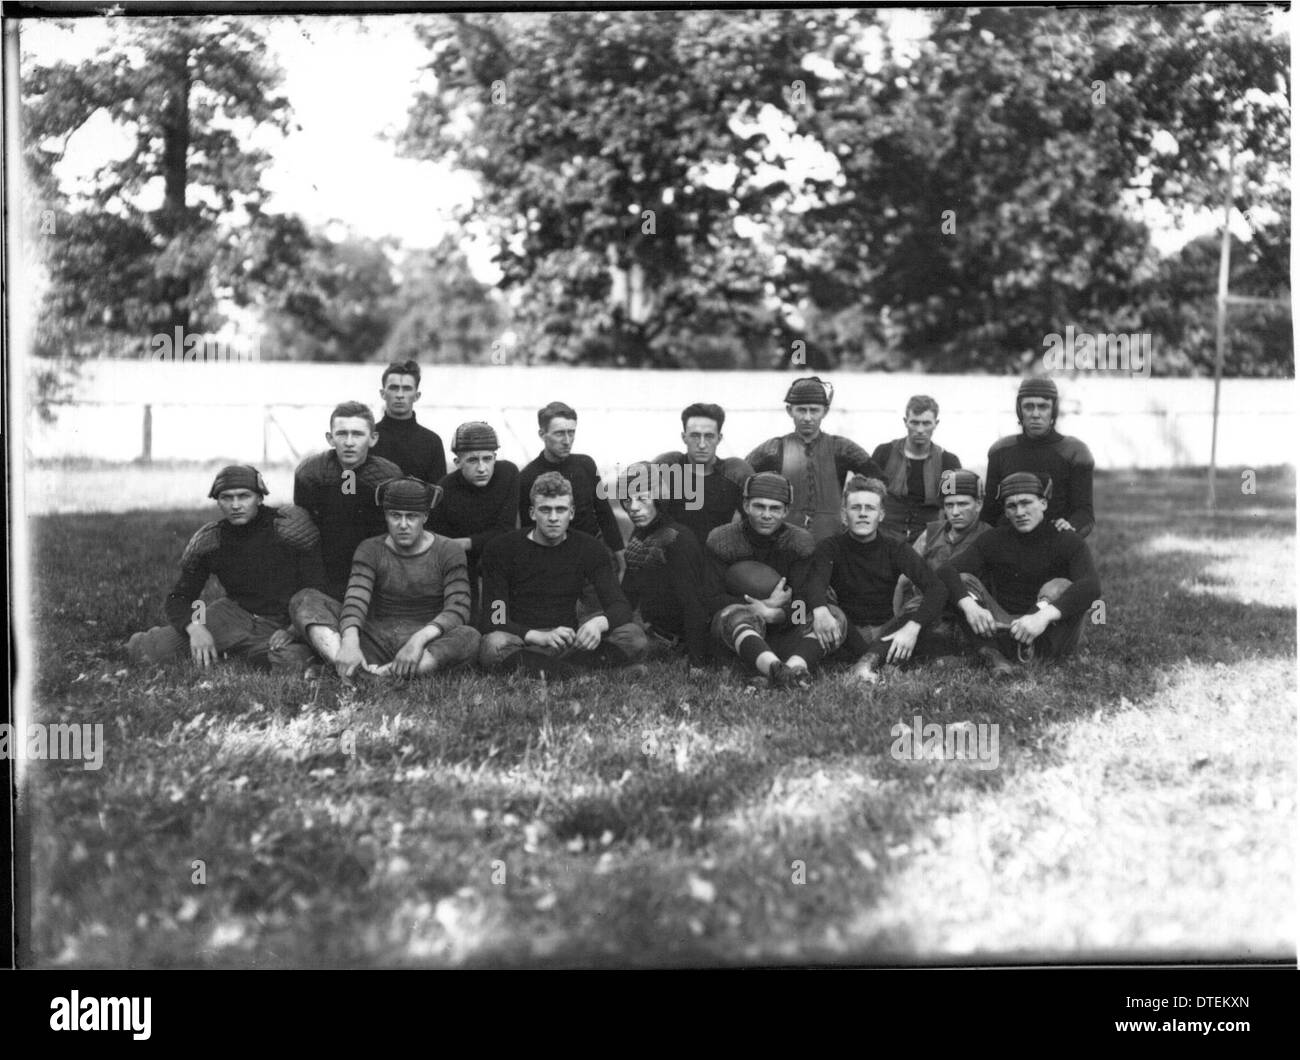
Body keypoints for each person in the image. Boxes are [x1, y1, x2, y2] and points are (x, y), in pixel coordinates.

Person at [127, 465, 322, 672]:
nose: (235, 505)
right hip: (233, 615)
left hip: (283, 621)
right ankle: (232, 649)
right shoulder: (212, 540)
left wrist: (293, 630)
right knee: (150, 651)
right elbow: (182, 597)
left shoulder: (287, 528)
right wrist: (196, 628)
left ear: (259, 497)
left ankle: (244, 652)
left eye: (244, 496)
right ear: (217, 501)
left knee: (291, 660)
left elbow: (316, 589)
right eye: (226, 498)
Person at [290, 478, 479, 680]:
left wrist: (417, 642)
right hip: (374, 637)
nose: (403, 524)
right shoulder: (370, 549)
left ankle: (375, 675)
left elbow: (458, 607)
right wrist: (350, 642)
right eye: (395, 515)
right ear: (386, 515)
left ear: (425, 516)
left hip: (424, 641)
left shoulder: (448, 550)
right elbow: (355, 601)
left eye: (412, 516)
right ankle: (349, 663)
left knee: (469, 636)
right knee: (305, 599)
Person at [480, 471, 646, 677]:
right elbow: (495, 618)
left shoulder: (590, 548)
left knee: (634, 636)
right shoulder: (502, 549)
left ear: (572, 512)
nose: (553, 518)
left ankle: (554, 671)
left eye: (560, 510)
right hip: (524, 641)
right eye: (545, 510)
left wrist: (597, 624)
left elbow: (620, 606)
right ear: (532, 513)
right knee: (493, 645)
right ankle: (585, 673)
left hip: (568, 641)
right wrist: (536, 636)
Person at [939, 471, 1102, 678]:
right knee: (963, 581)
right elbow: (945, 571)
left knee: (1058, 585)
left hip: (1048, 631)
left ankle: (1018, 653)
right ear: (1005, 512)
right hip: (1004, 625)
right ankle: (994, 654)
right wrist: (970, 606)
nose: (1020, 512)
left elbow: (1092, 585)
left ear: (1043, 503)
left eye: (1026, 503)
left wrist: (1041, 617)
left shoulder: (1067, 540)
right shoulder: (993, 539)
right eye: (1012, 506)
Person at [804, 476, 948, 684]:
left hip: (887, 629)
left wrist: (912, 627)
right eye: (856, 508)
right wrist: (820, 610)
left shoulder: (895, 547)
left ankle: (867, 661)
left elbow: (937, 588)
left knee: (918, 606)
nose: (863, 514)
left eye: (870, 508)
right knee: (815, 609)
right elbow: (815, 582)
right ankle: (876, 659)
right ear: (845, 515)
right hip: (848, 632)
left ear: (880, 515)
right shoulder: (830, 547)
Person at [705, 472, 836, 690]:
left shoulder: (798, 542)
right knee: (732, 614)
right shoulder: (722, 539)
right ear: (746, 506)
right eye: (759, 506)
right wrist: (756, 607)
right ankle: (777, 670)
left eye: (775, 508)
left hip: (785, 632)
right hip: (741, 635)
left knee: (832, 616)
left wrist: (777, 614)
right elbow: (710, 598)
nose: (766, 515)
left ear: (786, 510)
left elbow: (804, 599)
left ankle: (792, 670)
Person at [745, 376, 884, 543]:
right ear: (790, 411)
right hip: (783, 541)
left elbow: (879, 483)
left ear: (825, 411)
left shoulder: (843, 448)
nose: (808, 417)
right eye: (801, 410)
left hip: (834, 540)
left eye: (814, 410)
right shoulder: (773, 449)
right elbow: (741, 479)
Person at [618, 462, 723, 673]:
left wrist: (697, 664)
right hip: (652, 632)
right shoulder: (639, 534)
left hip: (677, 642)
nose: (633, 508)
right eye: (627, 500)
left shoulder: (676, 538)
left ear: (659, 498)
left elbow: (694, 604)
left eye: (642, 498)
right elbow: (627, 597)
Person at [294, 401, 403, 600]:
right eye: (342, 434)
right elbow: (304, 536)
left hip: (374, 571)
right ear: (330, 438)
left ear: (373, 438)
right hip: (324, 570)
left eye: (358, 434)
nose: (349, 442)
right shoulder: (310, 473)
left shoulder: (388, 476)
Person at [517, 401, 626, 574]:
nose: (567, 441)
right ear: (542, 434)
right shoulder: (527, 477)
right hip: (555, 561)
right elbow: (528, 530)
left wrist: (620, 555)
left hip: (593, 556)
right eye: (559, 433)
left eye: (571, 432)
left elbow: (604, 512)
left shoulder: (585, 464)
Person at [981, 377, 1095, 537]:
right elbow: (989, 513)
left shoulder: (1074, 451)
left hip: (1055, 541)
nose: (1035, 414)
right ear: (1019, 410)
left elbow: (1085, 513)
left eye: (1043, 407)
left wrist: (1070, 528)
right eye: (1028, 407)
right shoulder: (1001, 450)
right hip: (1010, 542)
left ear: (1053, 410)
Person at [430, 421, 519, 623]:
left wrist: (465, 542)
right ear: (457, 462)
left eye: (487, 459)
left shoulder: (508, 474)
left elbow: (505, 531)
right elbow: (441, 543)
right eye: (472, 460)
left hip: (500, 557)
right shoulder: (445, 489)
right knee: (467, 618)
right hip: (462, 563)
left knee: (500, 622)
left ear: (495, 457)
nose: (482, 468)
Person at [893, 469, 991, 646]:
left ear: (978, 504)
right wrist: (896, 618)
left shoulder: (989, 536)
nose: (954, 512)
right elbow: (903, 581)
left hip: (969, 616)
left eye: (962, 504)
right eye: (949, 505)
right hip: (927, 610)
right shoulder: (931, 532)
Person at [651, 402, 753, 548]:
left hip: (717, 557)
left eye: (709, 436)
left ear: (719, 438)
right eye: (695, 436)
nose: (702, 444)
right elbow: (643, 517)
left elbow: (755, 521)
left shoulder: (735, 472)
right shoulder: (666, 467)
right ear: (684, 437)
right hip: (672, 557)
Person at [870, 395, 962, 543]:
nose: (920, 430)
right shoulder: (884, 453)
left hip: (930, 537)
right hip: (884, 533)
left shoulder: (948, 461)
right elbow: (868, 495)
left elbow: (952, 506)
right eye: (915, 422)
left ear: (936, 423)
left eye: (926, 423)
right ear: (905, 422)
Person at [370, 360, 447, 485]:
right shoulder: (369, 438)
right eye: (394, 388)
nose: (400, 395)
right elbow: (350, 485)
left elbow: (438, 494)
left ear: (417, 396)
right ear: (383, 394)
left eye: (406, 389)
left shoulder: (432, 442)